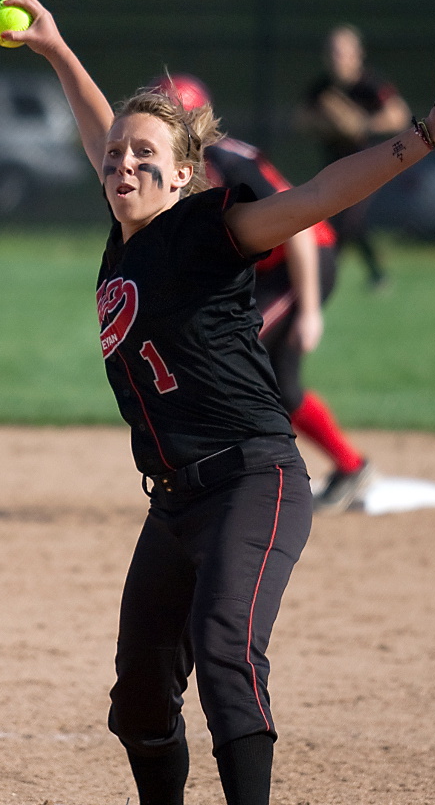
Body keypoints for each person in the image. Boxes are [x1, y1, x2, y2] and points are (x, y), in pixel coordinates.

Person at [0, 0, 435, 805]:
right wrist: (55, 49)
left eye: (144, 157)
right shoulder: (125, 235)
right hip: (175, 499)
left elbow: (320, 196)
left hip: (255, 476)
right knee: (138, 688)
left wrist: (425, 136)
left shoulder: (210, 229)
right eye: (117, 157)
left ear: (183, 176)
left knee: (224, 643)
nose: (122, 164)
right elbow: (103, 132)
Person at [152, 73, 377, 513]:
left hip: (304, 263)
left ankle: (234, 478)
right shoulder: (175, 166)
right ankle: (351, 468)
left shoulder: (227, 162)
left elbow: (301, 222)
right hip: (266, 272)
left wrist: (309, 310)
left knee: (225, 357)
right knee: (280, 382)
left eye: (174, 115)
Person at [297, 23, 411, 291]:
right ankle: (378, 275)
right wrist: (328, 124)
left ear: (358, 55)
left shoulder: (370, 85)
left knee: (345, 220)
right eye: (333, 52)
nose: (338, 59)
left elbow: (399, 115)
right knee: (350, 223)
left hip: (369, 165)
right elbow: (301, 120)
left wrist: (363, 126)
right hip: (334, 166)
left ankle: (321, 275)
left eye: (344, 52)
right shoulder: (322, 88)